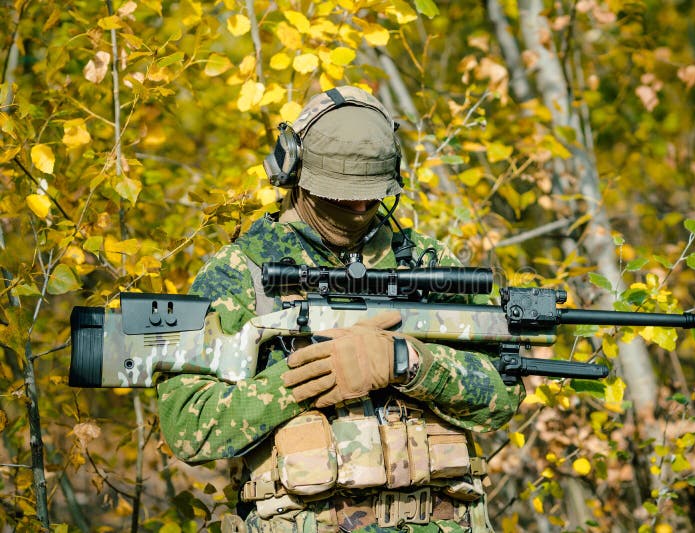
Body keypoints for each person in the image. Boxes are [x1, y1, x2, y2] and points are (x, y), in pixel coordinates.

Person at [156, 86, 525, 533]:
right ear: (293, 171)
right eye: (339, 195)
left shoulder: (429, 265)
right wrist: (302, 382)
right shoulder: (238, 272)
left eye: (370, 196)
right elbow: (188, 422)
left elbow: (502, 396)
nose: (357, 207)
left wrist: (408, 363)